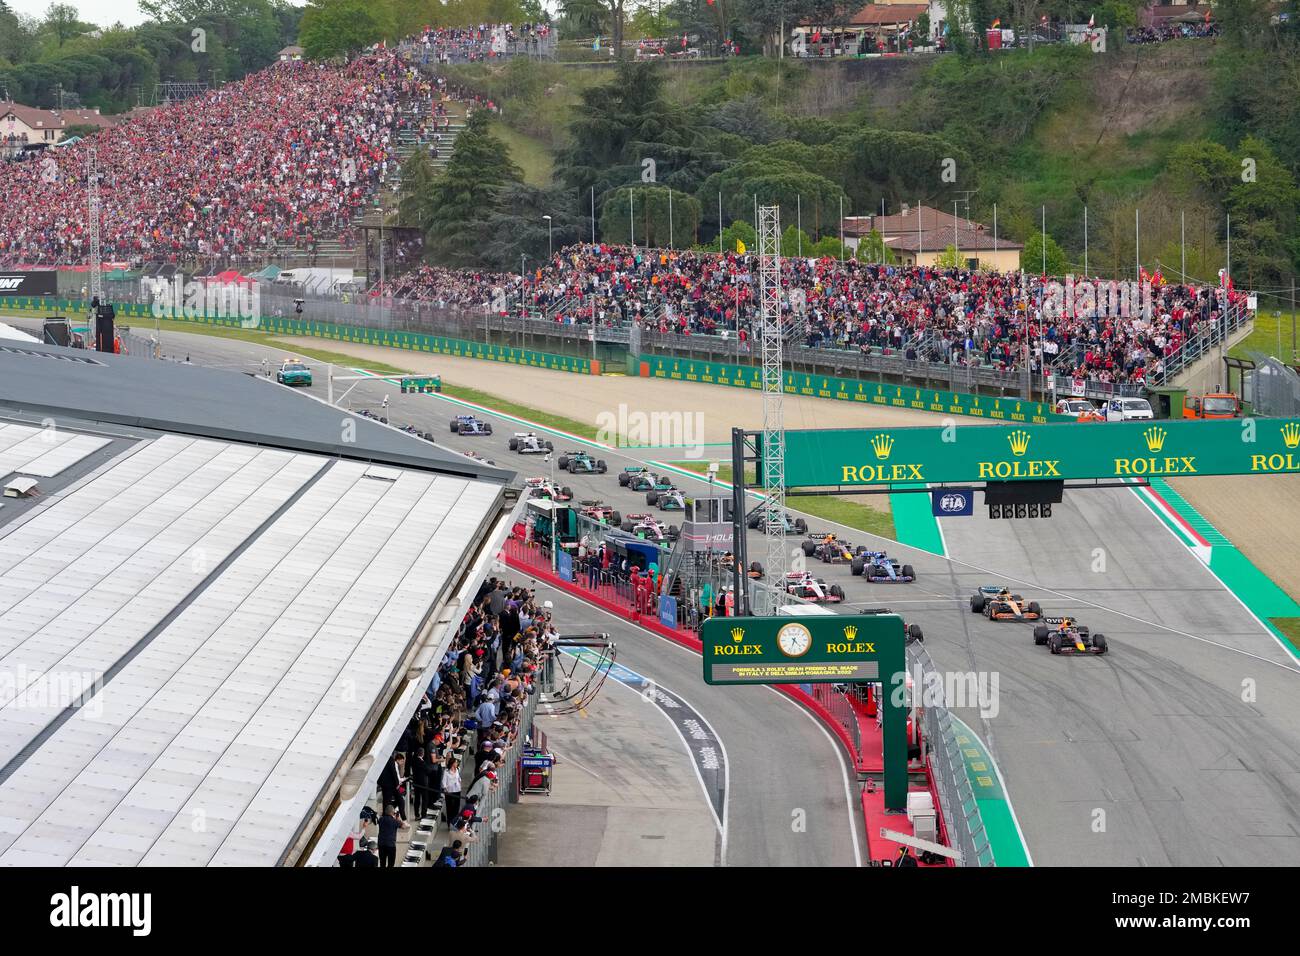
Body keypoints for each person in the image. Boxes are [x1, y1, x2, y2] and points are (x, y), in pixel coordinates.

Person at [442, 755, 463, 826]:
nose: (457, 764)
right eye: (456, 762)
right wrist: (445, 789)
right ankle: (449, 823)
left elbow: (459, 778)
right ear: (452, 763)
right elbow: (444, 781)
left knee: (456, 807)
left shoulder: (457, 769)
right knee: (449, 808)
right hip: (449, 791)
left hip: (457, 790)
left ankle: (455, 823)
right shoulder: (446, 771)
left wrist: (460, 782)